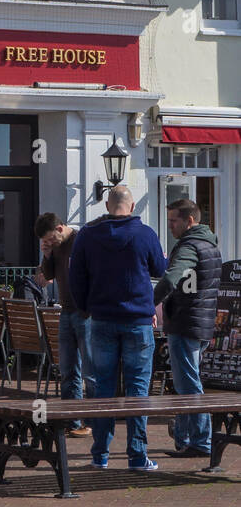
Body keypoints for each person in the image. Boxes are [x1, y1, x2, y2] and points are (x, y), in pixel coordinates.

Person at [69, 184, 167, 471]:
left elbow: (75, 277)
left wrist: (87, 308)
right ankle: (137, 455)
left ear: (107, 206)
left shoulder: (87, 234)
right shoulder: (145, 233)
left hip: (101, 320)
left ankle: (100, 455)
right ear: (133, 206)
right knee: (138, 389)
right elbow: (160, 269)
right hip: (137, 321)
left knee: (103, 389)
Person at [154, 199, 221, 459]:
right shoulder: (211, 245)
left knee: (189, 384)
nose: (170, 226)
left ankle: (201, 442)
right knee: (186, 381)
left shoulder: (188, 247)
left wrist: (151, 303)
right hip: (201, 322)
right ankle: (183, 436)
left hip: (185, 322)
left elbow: (171, 278)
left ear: (189, 221)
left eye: (173, 221)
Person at [36, 211, 92, 435]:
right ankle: (73, 420)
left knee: (90, 370)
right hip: (66, 311)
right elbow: (48, 277)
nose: (49, 243)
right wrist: (47, 255)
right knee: (68, 369)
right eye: (45, 241)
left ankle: (95, 421)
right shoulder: (55, 247)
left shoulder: (80, 241)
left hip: (85, 313)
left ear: (60, 228)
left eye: (50, 239)